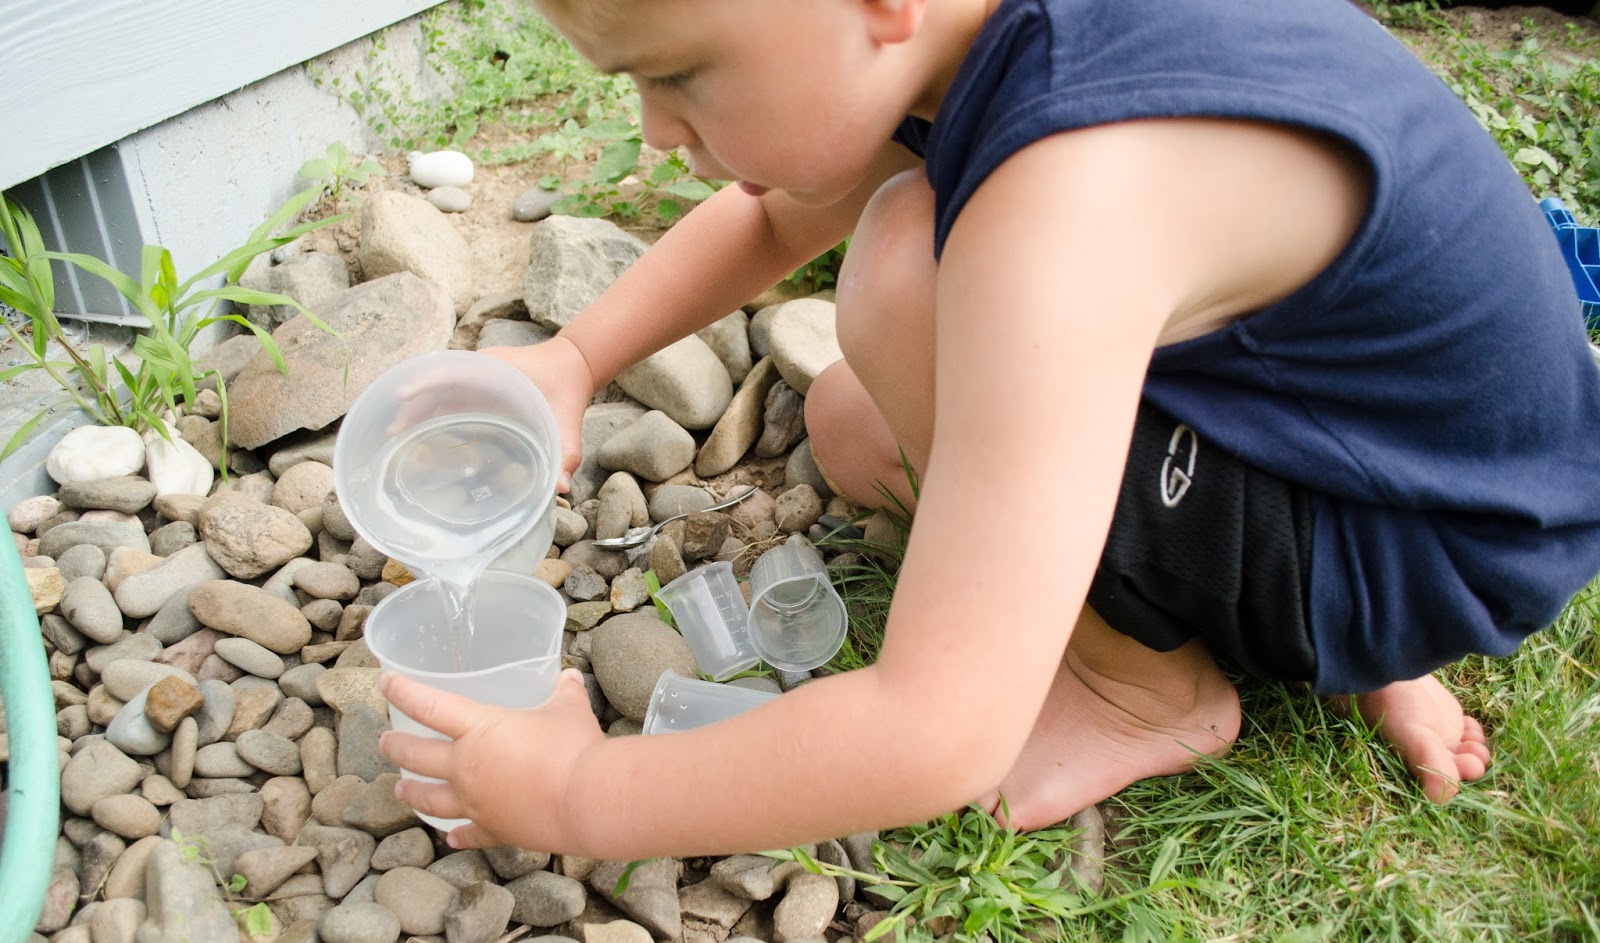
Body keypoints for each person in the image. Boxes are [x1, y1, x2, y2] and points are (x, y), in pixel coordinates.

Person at [377, 0, 1600, 858]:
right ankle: (1333, 634)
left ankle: (1147, 696)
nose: (654, 127)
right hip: (1405, 449)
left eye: (682, 73)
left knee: (904, 269)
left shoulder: (1076, 183)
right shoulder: (965, 33)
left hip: (1429, 537)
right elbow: (769, 219)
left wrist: (584, 790)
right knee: (863, 425)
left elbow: (936, 730)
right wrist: (574, 358)